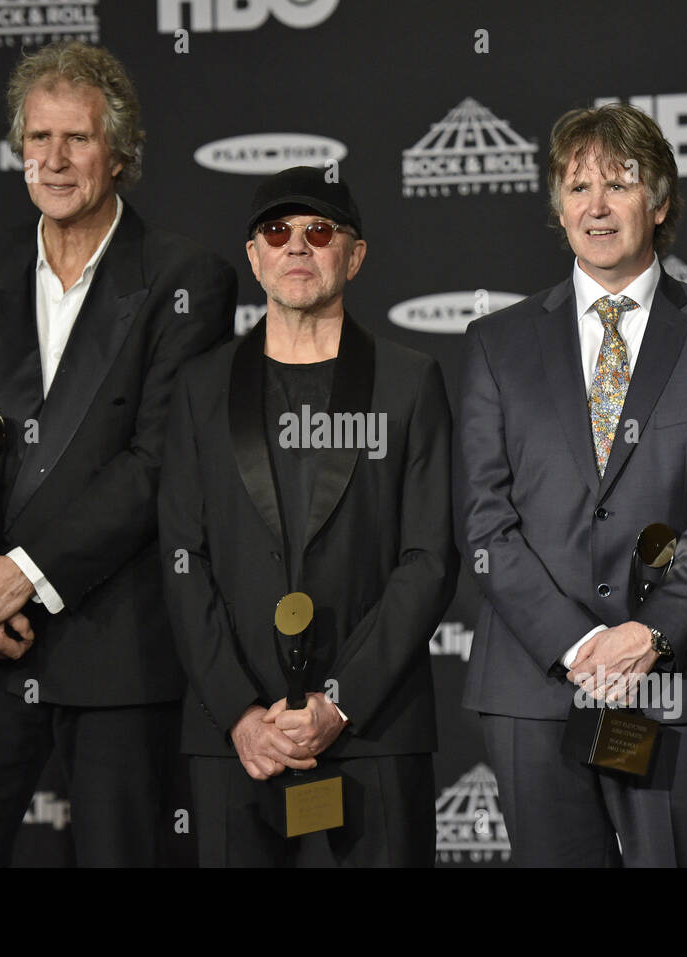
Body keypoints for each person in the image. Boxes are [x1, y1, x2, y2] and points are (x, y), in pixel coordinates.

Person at [0, 41, 236, 866]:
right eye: (38, 139)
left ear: (119, 154)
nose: (54, 161)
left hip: (117, 648)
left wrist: (17, 575)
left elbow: (156, 463)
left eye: (77, 140)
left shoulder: (183, 279)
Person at [454, 103, 687, 866]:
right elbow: (484, 522)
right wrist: (578, 645)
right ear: (559, 207)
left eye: (620, 184)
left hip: (686, 686)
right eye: (577, 187)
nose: (596, 206)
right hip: (536, 690)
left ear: (660, 201)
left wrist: (650, 632)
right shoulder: (496, 345)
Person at [158, 166, 458, 866]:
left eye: (319, 231)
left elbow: (429, 559)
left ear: (353, 255)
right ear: (254, 256)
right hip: (239, 735)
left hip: (372, 725)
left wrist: (339, 699)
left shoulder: (410, 382)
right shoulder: (201, 388)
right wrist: (238, 709)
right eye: (277, 232)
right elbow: (182, 556)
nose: (297, 246)